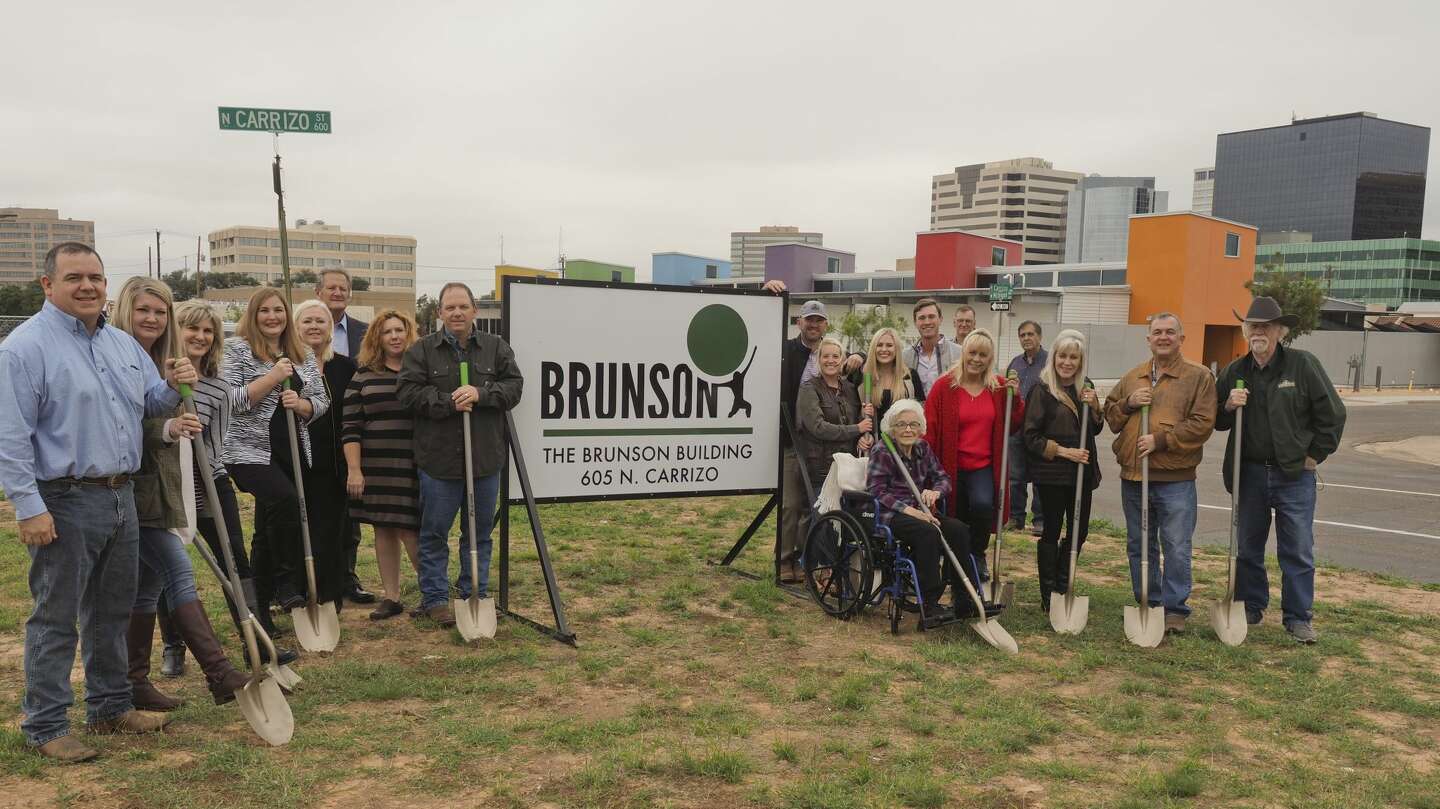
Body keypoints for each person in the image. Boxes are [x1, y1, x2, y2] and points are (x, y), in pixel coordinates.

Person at [0, 243, 191, 762]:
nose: (88, 287)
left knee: (112, 611)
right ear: (48, 285)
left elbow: (149, 403)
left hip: (120, 494)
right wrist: (28, 506)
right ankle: (45, 724)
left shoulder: (122, 346)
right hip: (63, 500)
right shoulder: (25, 349)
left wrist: (172, 386)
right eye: (75, 277)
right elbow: (11, 438)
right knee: (56, 616)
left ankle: (109, 706)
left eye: (96, 278)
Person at [111, 278, 249, 712]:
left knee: (147, 589)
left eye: (159, 311)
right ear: (125, 312)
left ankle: (136, 681)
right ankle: (219, 672)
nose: (152, 319)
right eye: (143, 310)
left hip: (166, 486)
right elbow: (123, 423)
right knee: (177, 571)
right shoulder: (117, 358)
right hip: (130, 487)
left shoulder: (163, 359)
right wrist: (168, 427)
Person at [1217, 296, 1346, 644]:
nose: (1258, 331)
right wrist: (1228, 404)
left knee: (1298, 549)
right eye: (1252, 325)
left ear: (1279, 331)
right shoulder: (1235, 371)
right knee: (1247, 546)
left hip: (1295, 476)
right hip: (1250, 474)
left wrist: (1315, 454)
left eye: (1265, 326)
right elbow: (1214, 419)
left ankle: (1298, 618)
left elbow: (1333, 414)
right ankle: (1251, 606)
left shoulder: (1303, 366)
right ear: (1245, 331)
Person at [175, 300, 298, 663]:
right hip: (169, 487)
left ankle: (257, 644)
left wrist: (213, 475)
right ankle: (172, 647)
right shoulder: (160, 377)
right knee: (171, 569)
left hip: (211, 480)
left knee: (235, 562)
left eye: (207, 330)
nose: (200, 336)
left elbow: (217, 439)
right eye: (192, 328)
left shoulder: (218, 385)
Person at [397, 282, 522, 628]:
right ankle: (435, 599)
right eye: (449, 308)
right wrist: (448, 401)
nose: (456, 313)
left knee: (479, 532)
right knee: (434, 532)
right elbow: (407, 392)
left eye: (462, 307)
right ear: (439, 313)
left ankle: (474, 593)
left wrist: (481, 393)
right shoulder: (421, 351)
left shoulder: (496, 348)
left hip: (484, 459)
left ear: (474, 311)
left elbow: (514, 387)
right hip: (439, 462)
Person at [1103, 312, 1216, 635]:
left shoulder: (1199, 377)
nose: (1163, 337)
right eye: (1157, 332)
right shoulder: (1133, 376)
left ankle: (1175, 609)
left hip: (1175, 479)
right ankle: (1149, 602)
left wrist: (1161, 440)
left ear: (1181, 338)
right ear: (1148, 339)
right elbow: (1110, 418)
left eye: (1170, 332)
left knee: (1176, 545)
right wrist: (1128, 403)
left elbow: (1202, 423)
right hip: (1134, 476)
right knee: (1139, 545)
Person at [221, 287, 329, 620]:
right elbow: (232, 401)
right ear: (253, 316)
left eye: (278, 310)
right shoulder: (236, 349)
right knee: (285, 501)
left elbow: (323, 401)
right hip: (248, 450)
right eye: (264, 311)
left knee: (268, 526)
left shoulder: (302, 353)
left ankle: (262, 605)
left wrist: (303, 405)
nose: (272, 317)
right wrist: (272, 378)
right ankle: (286, 583)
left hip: (291, 448)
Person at [867, 399, 987, 623]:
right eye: (901, 424)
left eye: (913, 424)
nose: (908, 429)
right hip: (892, 516)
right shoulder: (883, 450)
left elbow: (943, 478)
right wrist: (910, 512)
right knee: (928, 533)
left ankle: (964, 599)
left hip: (924, 511)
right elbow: (876, 491)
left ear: (921, 429)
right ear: (892, 428)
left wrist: (936, 492)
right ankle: (929, 603)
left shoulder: (923, 448)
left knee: (959, 530)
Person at [771, 294, 863, 583]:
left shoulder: (838, 367)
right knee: (791, 505)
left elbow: (853, 388)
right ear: (800, 322)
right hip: (793, 440)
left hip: (826, 451)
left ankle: (803, 559)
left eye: (818, 320)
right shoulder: (787, 349)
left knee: (813, 506)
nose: (813, 324)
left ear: (825, 325)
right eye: (809, 319)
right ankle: (784, 560)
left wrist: (860, 356)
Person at [923, 329, 1022, 583]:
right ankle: (955, 562)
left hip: (983, 466)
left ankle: (977, 554)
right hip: (951, 464)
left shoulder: (999, 387)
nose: (977, 359)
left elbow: (1013, 424)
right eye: (972, 353)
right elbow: (930, 427)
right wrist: (925, 465)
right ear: (963, 353)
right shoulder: (944, 386)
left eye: (983, 355)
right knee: (955, 515)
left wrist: (1017, 399)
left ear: (990, 359)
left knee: (982, 506)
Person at [343, 309, 424, 620]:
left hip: (412, 463)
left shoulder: (420, 373)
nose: (394, 336)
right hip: (375, 465)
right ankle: (392, 597)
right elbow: (350, 427)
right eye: (388, 331)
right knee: (383, 529)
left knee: (410, 528)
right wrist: (354, 469)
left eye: (399, 330)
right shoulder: (362, 376)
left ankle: (432, 592)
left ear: (409, 335)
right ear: (377, 337)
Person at [1021, 329, 1102, 611]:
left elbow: (1095, 428)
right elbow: (1030, 436)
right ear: (1054, 357)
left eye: (1074, 358)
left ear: (1081, 361)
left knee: (1079, 531)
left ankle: (1063, 583)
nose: (1067, 362)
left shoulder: (1085, 386)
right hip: (1052, 472)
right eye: (1063, 356)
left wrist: (1095, 407)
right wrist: (1064, 452)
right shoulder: (1042, 389)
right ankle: (1049, 596)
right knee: (1052, 530)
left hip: (1082, 471)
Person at [315, 268, 376, 604]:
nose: (337, 293)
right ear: (318, 291)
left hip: (351, 427)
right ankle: (305, 578)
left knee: (348, 512)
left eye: (343, 288)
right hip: (311, 427)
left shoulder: (363, 333)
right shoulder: (303, 325)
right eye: (331, 287)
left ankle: (347, 578)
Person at [293, 299, 356, 611]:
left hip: (333, 463)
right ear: (296, 327)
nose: (314, 327)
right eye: (307, 321)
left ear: (331, 329)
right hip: (293, 461)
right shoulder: (284, 367)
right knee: (295, 528)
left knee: (331, 531)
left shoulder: (345, 367)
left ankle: (330, 595)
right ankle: (294, 591)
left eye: (320, 321)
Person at [797, 336, 873, 491]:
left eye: (835, 356)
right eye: (825, 356)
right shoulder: (809, 388)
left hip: (849, 468)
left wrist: (863, 420)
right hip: (822, 469)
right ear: (819, 360)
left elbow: (858, 423)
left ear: (842, 360)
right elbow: (818, 427)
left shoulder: (850, 389)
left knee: (847, 514)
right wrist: (856, 429)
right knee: (825, 514)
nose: (830, 360)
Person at [1006, 320, 1048, 536]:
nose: (1026, 338)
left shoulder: (1050, 362)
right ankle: (1016, 517)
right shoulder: (1014, 364)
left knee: (1040, 477)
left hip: (1041, 429)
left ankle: (1040, 520)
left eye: (1030, 334)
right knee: (1015, 476)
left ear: (1039, 336)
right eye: (1022, 335)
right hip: (1016, 429)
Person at [853, 326, 923, 426]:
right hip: (873, 439)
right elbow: (853, 415)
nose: (884, 349)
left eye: (889, 345)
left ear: (896, 348)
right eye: (879, 345)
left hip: (903, 438)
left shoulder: (910, 376)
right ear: (873, 348)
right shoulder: (862, 377)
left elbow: (920, 414)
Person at [901, 298, 963, 399]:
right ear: (915, 322)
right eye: (922, 318)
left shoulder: (959, 353)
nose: (927, 322)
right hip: (916, 413)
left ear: (940, 319)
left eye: (931, 316)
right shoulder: (905, 357)